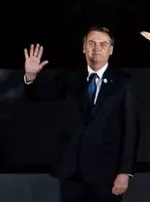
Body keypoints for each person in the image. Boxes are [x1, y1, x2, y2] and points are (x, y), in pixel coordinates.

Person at [23, 28, 139, 202]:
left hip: (106, 172)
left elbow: (132, 130)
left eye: (103, 44)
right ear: (84, 47)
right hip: (71, 171)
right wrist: (30, 76)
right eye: (91, 43)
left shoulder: (124, 82)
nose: (96, 48)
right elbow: (37, 95)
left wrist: (125, 172)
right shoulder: (70, 78)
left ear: (111, 50)